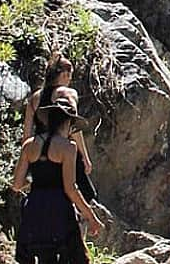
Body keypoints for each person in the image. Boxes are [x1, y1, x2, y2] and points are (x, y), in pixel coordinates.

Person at [12, 94, 104, 264]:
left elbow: (17, 184)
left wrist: (36, 184)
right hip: (59, 210)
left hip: (34, 208)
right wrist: (91, 217)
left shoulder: (29, 145)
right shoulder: (68, 147)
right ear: (68, 123)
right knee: (76, 258)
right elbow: (70, 188)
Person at [24, 54, 95, 201]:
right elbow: (72, 125)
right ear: (64, 74)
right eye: (70, 75)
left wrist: (29, 162)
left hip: (40, 154)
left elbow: (26, 135)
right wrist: (85, 158)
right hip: (64, 150)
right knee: (87, 197)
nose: (70, 80)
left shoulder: (34, 98)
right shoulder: (68, 94)